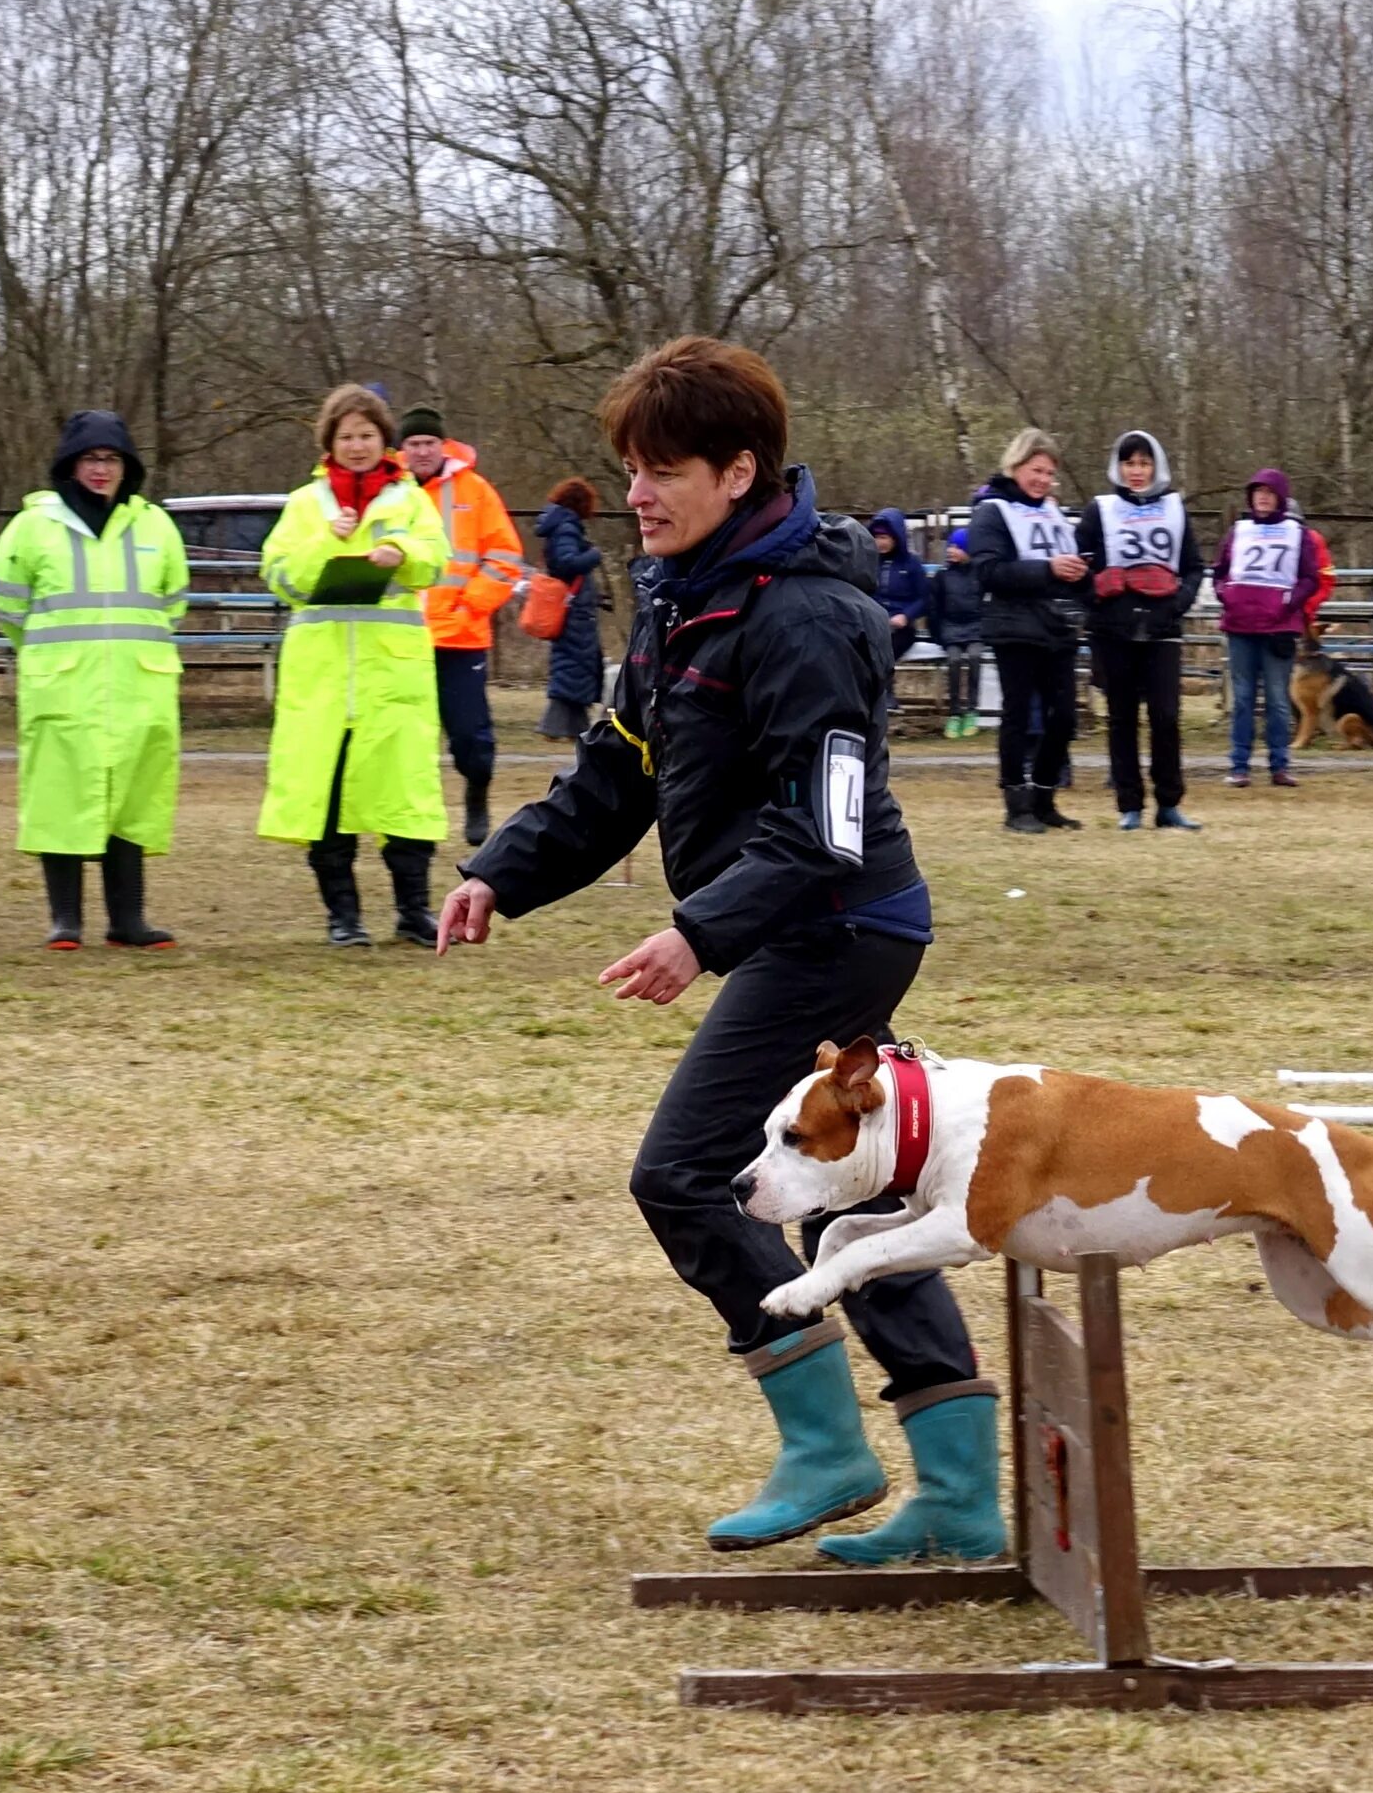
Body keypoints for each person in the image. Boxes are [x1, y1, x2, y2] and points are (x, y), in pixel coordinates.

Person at [439, 336, 997, 1567]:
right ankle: (959, 1490)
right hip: (796, 927)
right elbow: (614, 776)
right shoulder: (686, 597)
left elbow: (829, 831)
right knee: (853, 1202)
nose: (635, 492)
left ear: (739, 472)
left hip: (841, 929)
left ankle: (829, 1452)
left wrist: (698, 932)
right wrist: (499, 870)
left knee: (687, 1174)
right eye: (629, 467)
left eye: (662, 469)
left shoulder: (807, 618)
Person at [0, 410, 189, 951]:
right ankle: (65, 920)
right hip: (63, 687)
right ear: (70, 465)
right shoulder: (32, 526)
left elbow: (174, 602)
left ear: (128, 466)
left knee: (132, 799)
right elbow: (6, 606)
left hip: (137, 688)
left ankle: (128, 921)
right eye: (91, 458)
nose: (101, 469)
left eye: (112, 458)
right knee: (62, 796)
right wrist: (50, 655)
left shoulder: (154, 526)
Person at [261, 386, 450, 948]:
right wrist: (327, 541)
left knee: (405, 799)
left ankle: (413, 913)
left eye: (367, 434)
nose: (357, 445)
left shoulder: (411, 500)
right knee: (328, 801)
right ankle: (343, 917)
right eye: (347, 436)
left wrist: (405, 554)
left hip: (392, 678)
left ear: (382, 439)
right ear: (330, 443)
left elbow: (435, 561)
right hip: (322, 681)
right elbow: (278, 574)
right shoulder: (304, 505)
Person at [402, 407, 524, 846]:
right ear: (403, 448)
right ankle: (414, 826)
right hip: (401, 640)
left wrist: (469, 605)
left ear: (442, 445)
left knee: (472, 739)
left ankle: (477, 790)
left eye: (428, 443)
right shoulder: (389, 491)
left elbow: (506, 558)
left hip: (460, 637)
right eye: (413, 444)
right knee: (406, 744)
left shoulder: (474, 490)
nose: (421, 452)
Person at [1077, 429, 1205, 830]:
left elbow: (1194, 566)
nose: (1136, 471)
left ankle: (1169, 804)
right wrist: (1099, 593)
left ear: (1157, 466)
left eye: (1144, 463)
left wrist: (1177, 603)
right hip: (1113, 630)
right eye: (1129, 463)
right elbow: (1079, 567)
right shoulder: (1099, 510)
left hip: (1162, 629)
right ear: (1118, 466)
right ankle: (1129, 803)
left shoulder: (1175, 508)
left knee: (1166, 717)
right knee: (1121, 718)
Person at [966, 427, 1087, 833]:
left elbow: (1063, 565)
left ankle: (1044, 797)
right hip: (1014, 627)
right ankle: (1016, 803)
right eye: (1036, 470)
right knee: (1017, 715)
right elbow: (988, 571)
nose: (1042, 480)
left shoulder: (1053, 512)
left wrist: (1079, 572)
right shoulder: (992, 511)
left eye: (1049, 473)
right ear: (1015, 466)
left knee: (1065, 717)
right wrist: (1047, 569)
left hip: (1056, 626)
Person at [1214, 468, 1330, 787]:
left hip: (1278, 628)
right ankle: (1239, 765)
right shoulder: (1239, 531)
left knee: (1278, 700)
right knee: (1242, 698)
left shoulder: (1297, 534)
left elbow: (1311, 577)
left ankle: (1279, 764)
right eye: (1257, 491)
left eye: (1269, 492)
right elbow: (1219, 571)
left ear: (1280, 497)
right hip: (1240, 626)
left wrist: (1289, 603)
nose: (1262, 497)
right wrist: (1225, 595)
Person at [533, 475, 608, 743]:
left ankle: (573, 726)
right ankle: (556, 726)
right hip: (573, 609)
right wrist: (593, 556)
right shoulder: (567, 527)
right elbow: (567, 563)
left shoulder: (560, 525)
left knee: (577, 664)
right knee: (576, 663)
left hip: (573, 605)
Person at [929, 532, 983, 738]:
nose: (951, 550)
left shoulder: (979, 574)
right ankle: (954, 712)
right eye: (950, 546)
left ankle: (972, 710)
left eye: (957, 547)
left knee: (975, 657)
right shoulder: (942, 576)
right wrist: (939, 634)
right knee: (954, 660)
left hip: (975, 629)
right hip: (950, 629)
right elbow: (934, 608)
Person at [869, 508, 929, 663]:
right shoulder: (869, 562)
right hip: (874, 623)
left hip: (902, 628)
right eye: (876, 537)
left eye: (884, 537)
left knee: (883, 656)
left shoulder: (912, 563)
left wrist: (906, 615)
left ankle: (883, 687)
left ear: (896, 538)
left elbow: (924, 599)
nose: (879, 542)